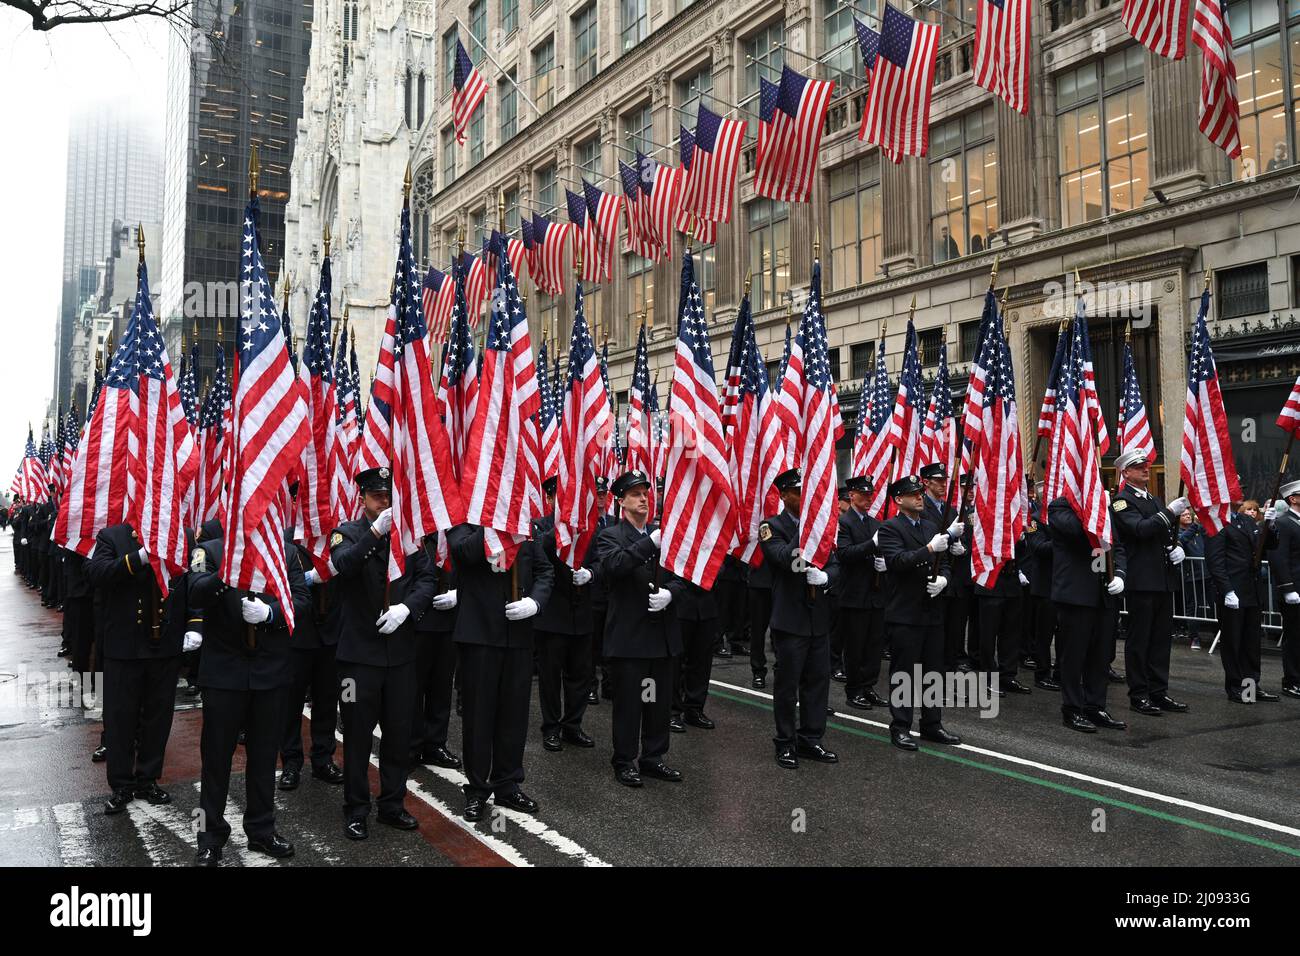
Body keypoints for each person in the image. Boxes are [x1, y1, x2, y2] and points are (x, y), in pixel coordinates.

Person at [188, 519, 305, 865]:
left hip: (270, 671)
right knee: (216, 760)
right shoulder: (208, 551)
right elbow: (195, 591)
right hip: (225, 673)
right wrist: (227, 572)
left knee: (265, 756)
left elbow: (302, 600)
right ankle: (209, 838)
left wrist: (271, 613)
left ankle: (262, 830)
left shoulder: (285, 552)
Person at [330, 466, 437, 839]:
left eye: (389, 495)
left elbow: (426, 579)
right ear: (362, 499)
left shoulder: (409, 537)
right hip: (358, 657)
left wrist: (407, 609)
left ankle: (392, 804)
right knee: (358, 736)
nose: (385, 501)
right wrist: (377, 532)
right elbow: (343, 567)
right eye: (377, 495)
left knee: (398, 734)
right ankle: (356, 809)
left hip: (401, 654)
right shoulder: (346, 532)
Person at [448, 517, 553, 820]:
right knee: (479, 716)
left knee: (514, 715)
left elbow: (545, 571)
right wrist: (493, 519)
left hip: (517, 636)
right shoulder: (463, 525)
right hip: (480, 634)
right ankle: (478, 789)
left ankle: (508, 784)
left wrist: (536, 602)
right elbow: (464, 554)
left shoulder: (526, 527)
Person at [85, 523, 189, 817]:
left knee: (158, 715)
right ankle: (121, 784)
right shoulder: (112, 536)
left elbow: (191, 581)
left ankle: (147, 779)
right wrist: (138, 558)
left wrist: (195, 624)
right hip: (125, 646)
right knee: (120, 719)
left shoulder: (179, 533)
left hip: (165, 643)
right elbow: (96, 573)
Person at [597, 469, 686, 787]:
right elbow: (615, 566)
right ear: (620, 501)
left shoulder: (664, 534)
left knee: (658, 702)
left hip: (660, 635)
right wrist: (650, 543)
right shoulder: (610, 536)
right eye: (635, 494)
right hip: (630, 636)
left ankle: (653, 757)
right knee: (629, 703)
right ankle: (624, 760)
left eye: (646, 493)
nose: (644, 498)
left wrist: (670, 594)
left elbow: (683, 574)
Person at [759, 468, 841, 769]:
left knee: (818, 682)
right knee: (787, 684)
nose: (803, 496)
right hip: (790, 619)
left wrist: (826, 578)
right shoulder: (771, 526)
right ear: (783, 495)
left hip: (818, 619)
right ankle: (785, 742)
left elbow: (835, 564)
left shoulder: (820, 527)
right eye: (797, 492)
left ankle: (810, 739)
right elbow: (785, 560)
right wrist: (807, 527)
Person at [877, 474, 962, 751]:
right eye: (913, 494)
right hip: (906, 613)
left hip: (932, 611)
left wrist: (944, 581)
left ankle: (932, 724)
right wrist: (928, 549)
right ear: (898, 500)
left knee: (933, 671)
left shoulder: (930, 526)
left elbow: (945, 562)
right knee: (905, 673)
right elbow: (898, 561)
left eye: (920, 493)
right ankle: (900, 727)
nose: (919, 497)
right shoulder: (890, 528)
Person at [1110, 449, 1190, 716]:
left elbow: (1161, 534)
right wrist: (1169, 512)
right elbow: (1140, 530)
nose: (1146, 469)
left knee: (1159, 641)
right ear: (1126, 472)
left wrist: (1175, 548)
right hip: (1141, 581)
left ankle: (1159, 691)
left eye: (1146, 465)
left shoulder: (1154, 500)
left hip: (1162, 580)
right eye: (1138, 466)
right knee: (1140, 640)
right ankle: (1139, 694)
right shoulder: (1122, 502)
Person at [1046, 495, 1129, 732]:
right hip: (1077, 594)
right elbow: (1077, 532)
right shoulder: (1059, 507)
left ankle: (1095, 705)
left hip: (1104, 593)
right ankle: (1072, 709)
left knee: (1100, 655)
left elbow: (1117, 545)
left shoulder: (1102, 506)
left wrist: (1121, 574)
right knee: (1074, 656)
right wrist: (1093, 506)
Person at [532, 476, 597, 752]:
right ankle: (551, 727)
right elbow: (540, 553)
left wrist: (590, 573)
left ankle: (573, 725)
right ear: (549, 499)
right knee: (550, 677)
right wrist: (562, 527)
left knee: (580, 675)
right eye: (561, 496)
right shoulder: (540, 527)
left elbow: (598, 558)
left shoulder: (587, 526)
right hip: (553, 615)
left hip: (582, 612)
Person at [278, 526, 344, 791]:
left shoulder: (341, 535)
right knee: (290, 703)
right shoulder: (288, 538)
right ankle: (291, 762)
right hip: (298, 634)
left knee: (327, 701)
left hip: (332, 632)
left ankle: (323, 759)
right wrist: (306, 578)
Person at [1207, 499, 1279, 703]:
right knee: (1233, 642)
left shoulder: (1245, 521)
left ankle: (1251, 687)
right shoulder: (1216, 522)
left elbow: (1267, 546)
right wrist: (1227, 590)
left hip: (1251, 590)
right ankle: (1235, 686)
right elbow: (1215, 560)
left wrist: (1270, 525)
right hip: (1232, 593)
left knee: (1251, 642)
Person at [410, 533, 463, 769]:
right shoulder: (414, 530)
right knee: (412, 688)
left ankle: (435, 744)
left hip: (448, 621)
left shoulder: (457, 532)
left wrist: (459, 593)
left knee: (441, 686)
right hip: (417, 621)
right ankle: (410, 745)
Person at [835, 474, 888, 710]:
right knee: (855, 646)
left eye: (870, 495)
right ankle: (854, 690)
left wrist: (883, 561)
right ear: (852, 495)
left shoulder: (875, 524)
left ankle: (868, 686)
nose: (868, 499)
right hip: (854, 593)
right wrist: (871, 546)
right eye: (863, 495)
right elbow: (844, 554)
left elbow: (882, 549)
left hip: (875, 592)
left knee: (873, 645)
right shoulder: (844, 522)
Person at [1267, 479, 1300, 699]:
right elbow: (1278, 558)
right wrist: (1288, 588)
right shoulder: (1283, 522)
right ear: (1293, 498)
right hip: (1295, 590)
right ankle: (1292, 680)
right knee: (1295, 637)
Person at [1175, 509, 1209, 650]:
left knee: (1212, 604)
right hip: (1192, 575)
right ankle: (1194, 636)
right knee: (1193, 606)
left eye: (1189, 514)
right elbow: (1181, 541)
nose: (1188, 516)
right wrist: (1194, 525)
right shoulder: (1177, 533)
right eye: (1184, 515)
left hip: (1207, 573)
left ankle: (1217, 633)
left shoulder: (1199, 529)